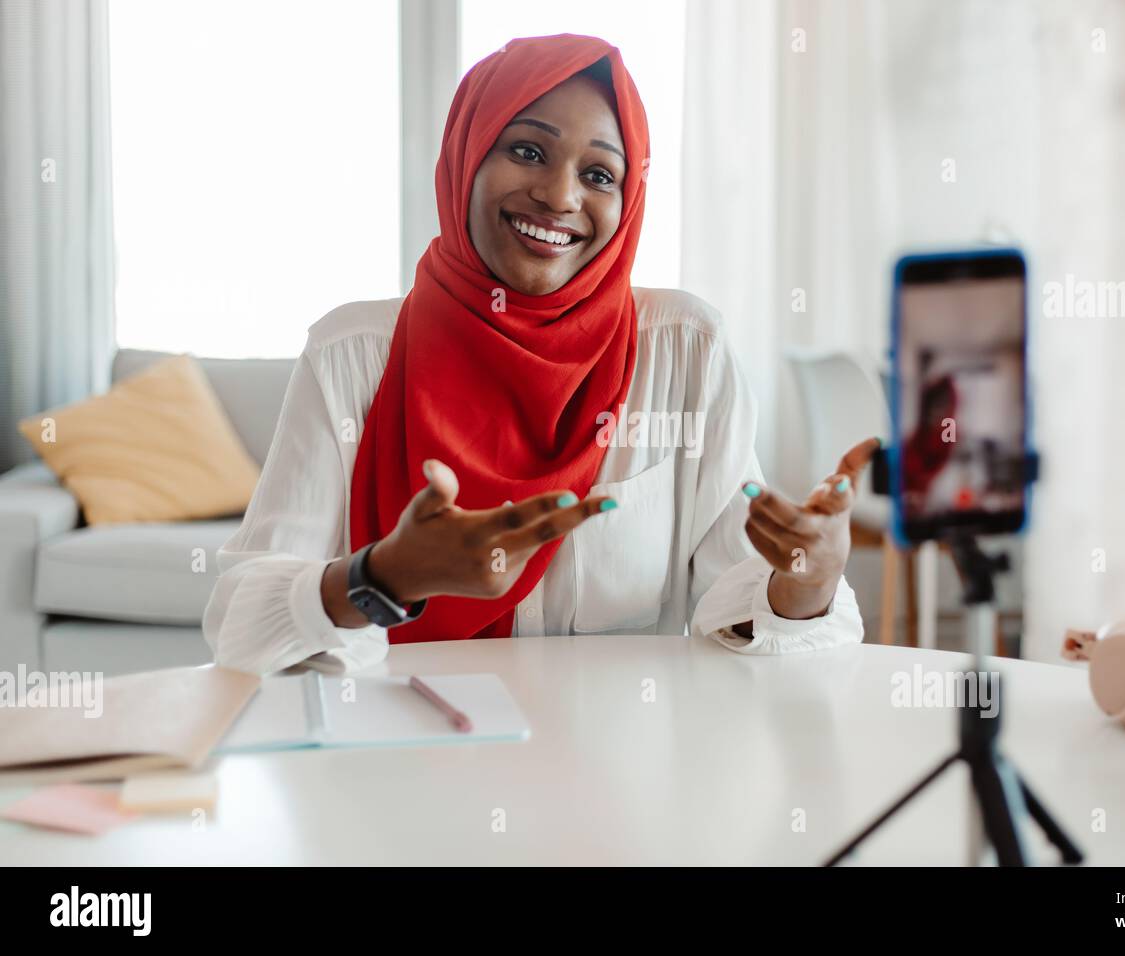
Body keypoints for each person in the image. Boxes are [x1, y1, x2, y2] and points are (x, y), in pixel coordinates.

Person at [202, 34, 871, 675]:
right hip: (403, 760)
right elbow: (238, 624)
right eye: (526, 151)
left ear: (629, 199)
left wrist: (811, 576)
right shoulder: (350, 357)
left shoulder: (686, 350)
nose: (559, 196)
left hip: (617, 772)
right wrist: (381, 575)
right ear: (466, 156)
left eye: (599, 173)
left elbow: (742, 603)